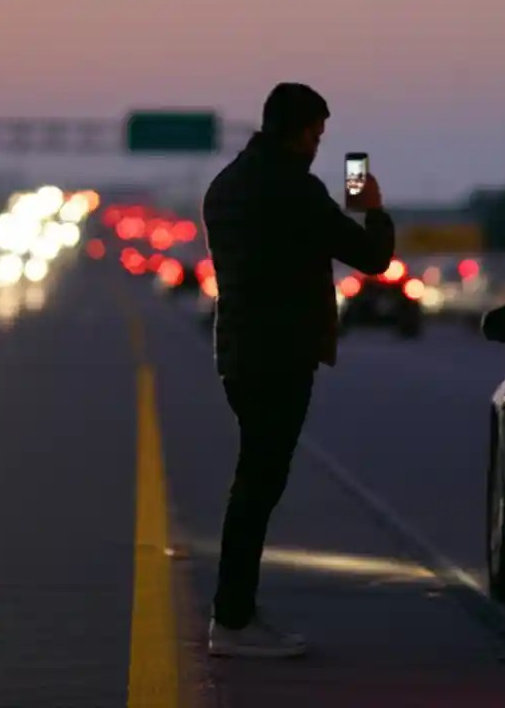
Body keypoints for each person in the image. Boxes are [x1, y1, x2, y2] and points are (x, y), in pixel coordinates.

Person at [201, 82, 394, 658]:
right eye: (315, 134)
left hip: (237, 354)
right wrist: (373, 209)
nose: (317, 145)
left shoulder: (225, 186)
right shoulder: (294, 189)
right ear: (297, 130)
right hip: (281, 356)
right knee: (259, 486)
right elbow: (373, 258)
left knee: (254, 481)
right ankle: (233, 620)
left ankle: (236, 613)